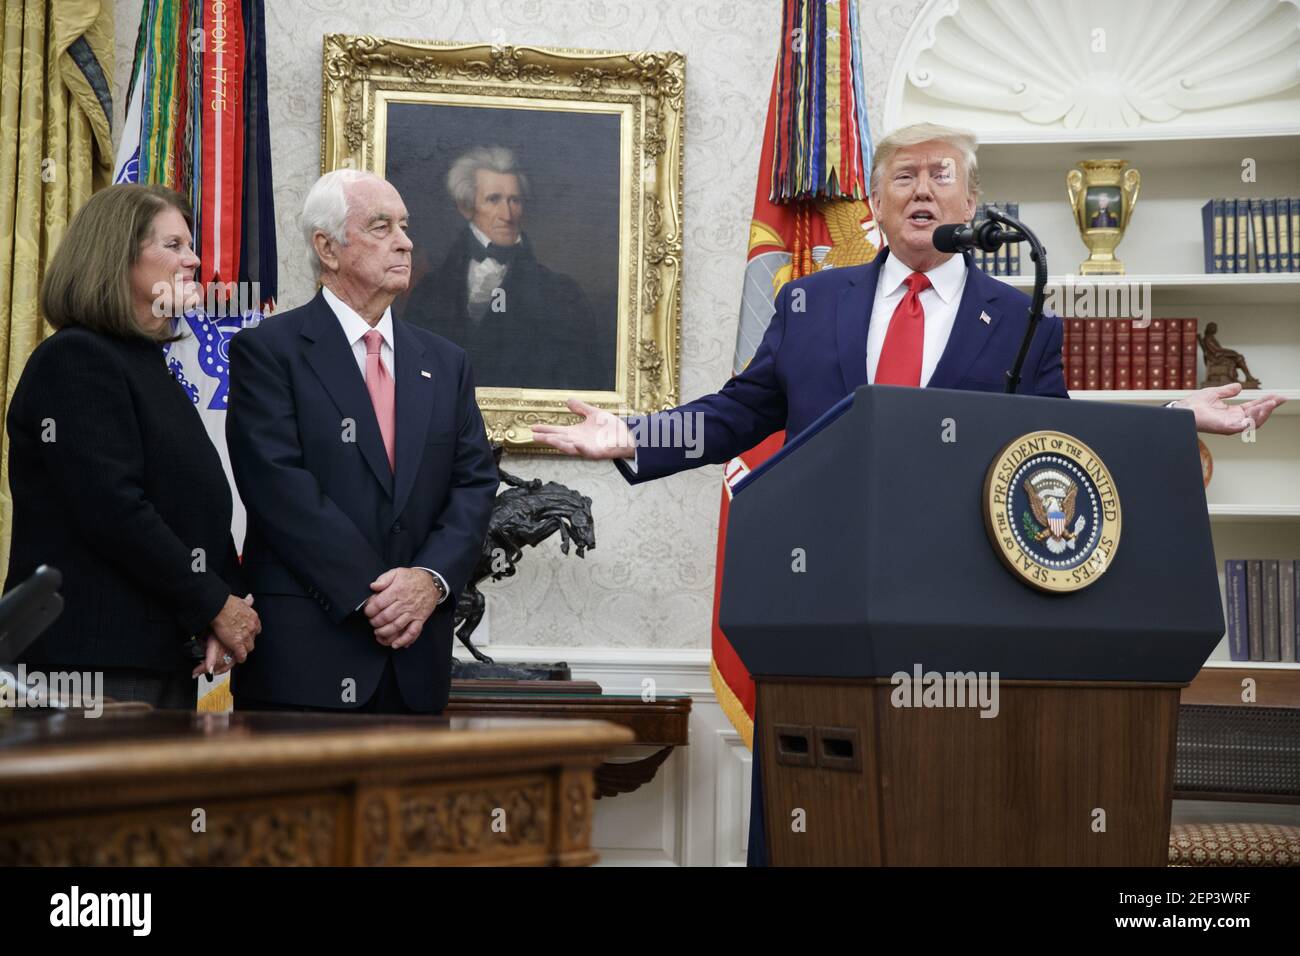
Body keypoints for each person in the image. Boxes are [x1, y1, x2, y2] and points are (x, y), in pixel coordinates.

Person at [532, 122, 1286, 864]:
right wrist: (637, 437)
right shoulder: (811, 303)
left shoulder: (1021, 319)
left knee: (945, 817)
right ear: (879, 208)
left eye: (941, 175)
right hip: (819, 605)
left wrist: (1172, 415)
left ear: (974, 202)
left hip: (962, 619)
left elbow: (1052, 446)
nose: (922, 189)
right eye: (904, 177)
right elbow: (739, 413)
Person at [226, 169, 498, 715]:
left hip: (415, 664)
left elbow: (474, 484)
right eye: (381, 226)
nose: (405, 241)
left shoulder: (445, 363)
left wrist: (429, 580)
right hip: (306, 661)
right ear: (327, 247)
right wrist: (377, 596)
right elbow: (278, 486)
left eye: (405, 226)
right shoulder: (269, 351)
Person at [4, 184, 259, 708]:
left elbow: (191, 510)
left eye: (190, 245)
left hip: (155, 654)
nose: (193, 260)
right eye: (173, 245)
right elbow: (114, 509)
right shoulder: (76, 359)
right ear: (116, 254)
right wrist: (214, 604)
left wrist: (221, 604)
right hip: (93, 665)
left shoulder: (146, 365)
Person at [404, 146, 604, 391]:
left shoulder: (562, 294)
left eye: (514, 200)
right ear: (465, 207)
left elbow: (580, 379)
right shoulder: (430, 290)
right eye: (493, 199)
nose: (507, 214)